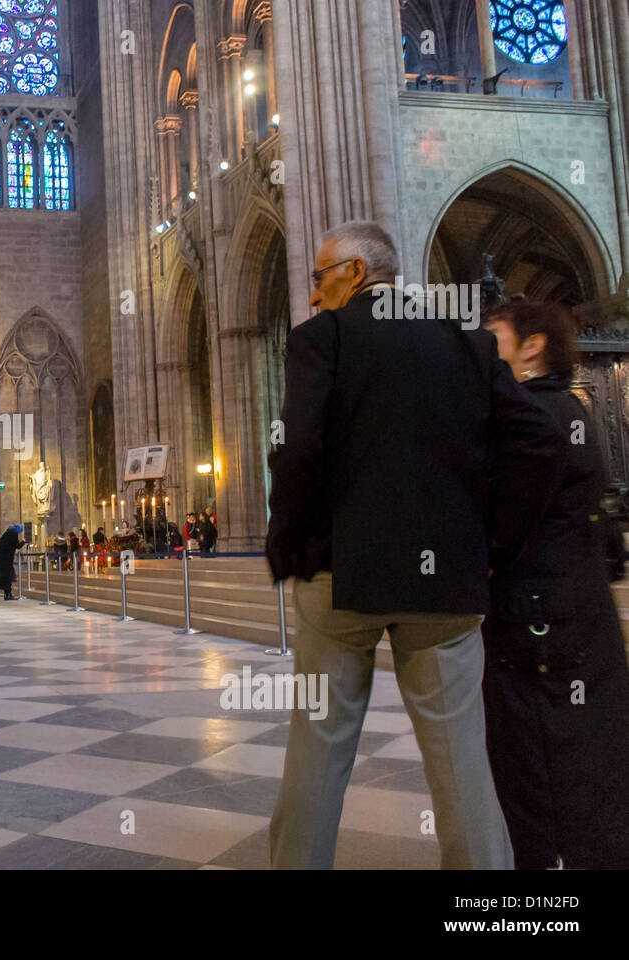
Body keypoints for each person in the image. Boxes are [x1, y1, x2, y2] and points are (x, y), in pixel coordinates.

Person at [264, 220, 565, 869]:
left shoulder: (324, 338)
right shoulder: (465, 345)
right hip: (445, 583)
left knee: (318, 752)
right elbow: (541, 443)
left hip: (342, 574)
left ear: (353, 274)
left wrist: (287, 542)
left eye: (319, 279)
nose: (314, 296)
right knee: (462, 764)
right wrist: (492, 544)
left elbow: (296, 451)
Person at [481, 301, 629, 868]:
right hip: (572, 609)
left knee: (536, 770)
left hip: (539, 620)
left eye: (494, 336)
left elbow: (506, 523)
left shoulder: (532, 417)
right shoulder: (569, 408)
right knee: (582, 764)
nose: (482, 348)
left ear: (533, 345)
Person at [0, 524, 26, 600]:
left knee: (6, 576)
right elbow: (17, 545)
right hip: (7, 559)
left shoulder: (6, 533)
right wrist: (23, 542)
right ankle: (8, 595)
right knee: (8, 577)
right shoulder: (13, 534)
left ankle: (7, 594)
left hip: (1, 558)